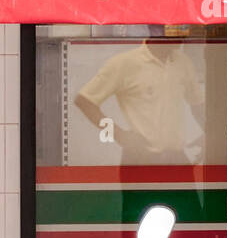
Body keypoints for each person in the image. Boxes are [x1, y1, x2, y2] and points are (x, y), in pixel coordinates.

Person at [74, 27, 205, 165]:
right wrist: (119, 135)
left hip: (176, 158)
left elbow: (197, 103)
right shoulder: (125, 63)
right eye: (177, 29)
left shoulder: (183, 62)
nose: (183, 35)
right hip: (140, 159)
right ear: (157, 31)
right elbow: (84, 101)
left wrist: (210, 135)